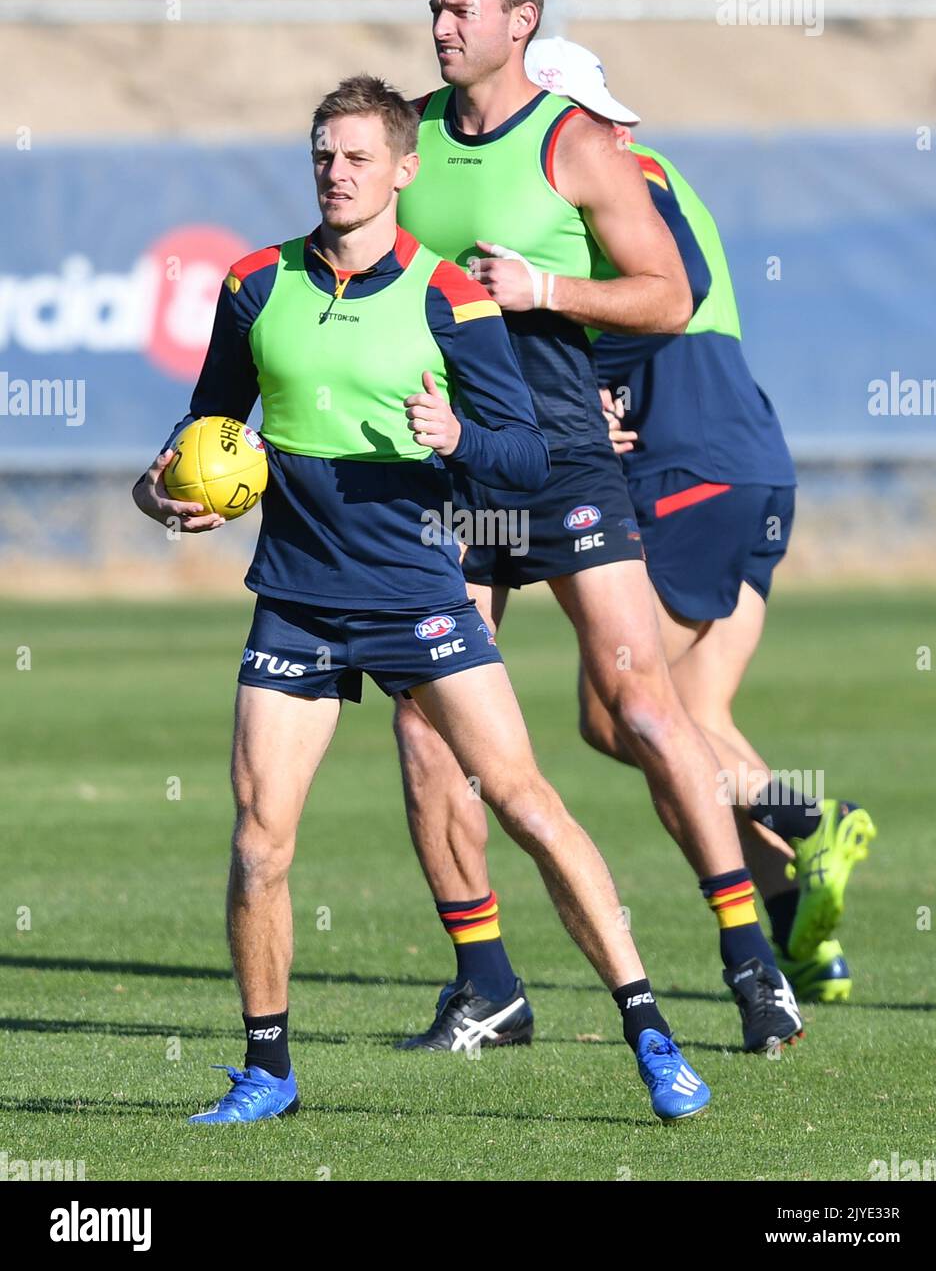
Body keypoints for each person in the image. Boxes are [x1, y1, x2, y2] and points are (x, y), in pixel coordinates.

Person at [132, 75, 710, 1125]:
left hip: (417, 596)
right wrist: (164, 494)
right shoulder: (255, 283)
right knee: (260, 840)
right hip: (296, 600)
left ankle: (650, 1032)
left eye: (357, 157)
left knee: (528, 803)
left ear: (404, 169)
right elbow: (200, 433)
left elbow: (527, 459)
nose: (335, 173)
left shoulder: (450, 295)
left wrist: (458, 443)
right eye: (322, 154)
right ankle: (267, 1071)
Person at [393, 0, 803, 1056]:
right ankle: (487, 984)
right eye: (434, 8)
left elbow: (668, 294)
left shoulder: (575, 144)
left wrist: (545, 289)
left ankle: (747, 958)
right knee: (428, 724)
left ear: (519, 21)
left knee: (638, 707)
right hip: (452, 467)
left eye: (462, 10)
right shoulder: (407, 139)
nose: (441, 27)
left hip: (567, 462)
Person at [526, 36, 877, 1001]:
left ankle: (808, 819)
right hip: (752, 460)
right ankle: (801, 931)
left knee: (620, 716)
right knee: (695, 718)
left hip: (689, 463)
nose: (609, 128)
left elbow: (657, 302)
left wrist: (585, 391)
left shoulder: (602, 180)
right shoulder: (652, 167)